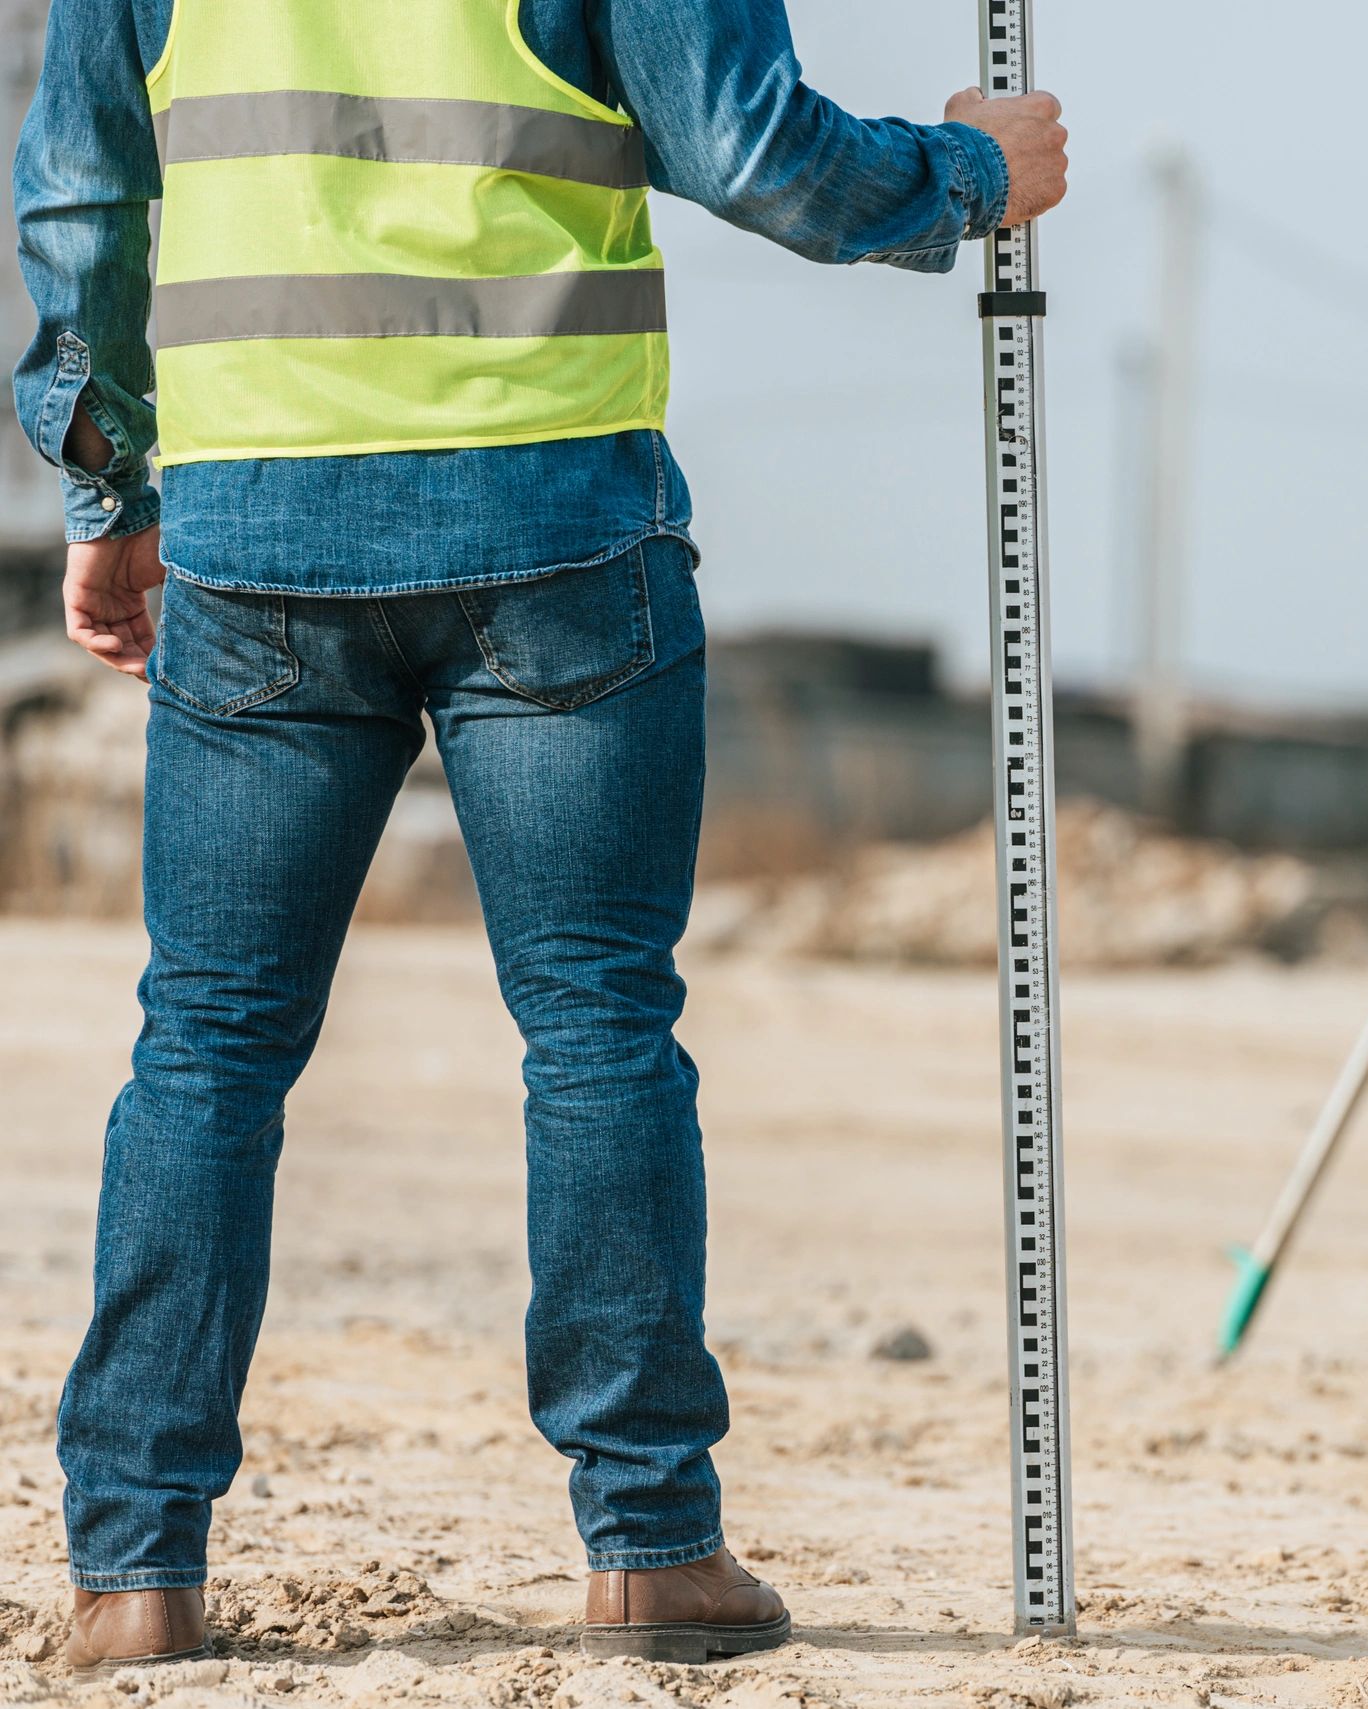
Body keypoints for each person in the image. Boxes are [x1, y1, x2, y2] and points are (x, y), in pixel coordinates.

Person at [14, 0, 1067, 1670]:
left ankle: (136, 1573)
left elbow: (79, 192)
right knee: (596, 1030)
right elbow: (750, 152)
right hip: (556, 527)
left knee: (207, 1043)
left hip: (261, 524)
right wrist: (965, 177)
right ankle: (649, 1545)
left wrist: (107, 485)